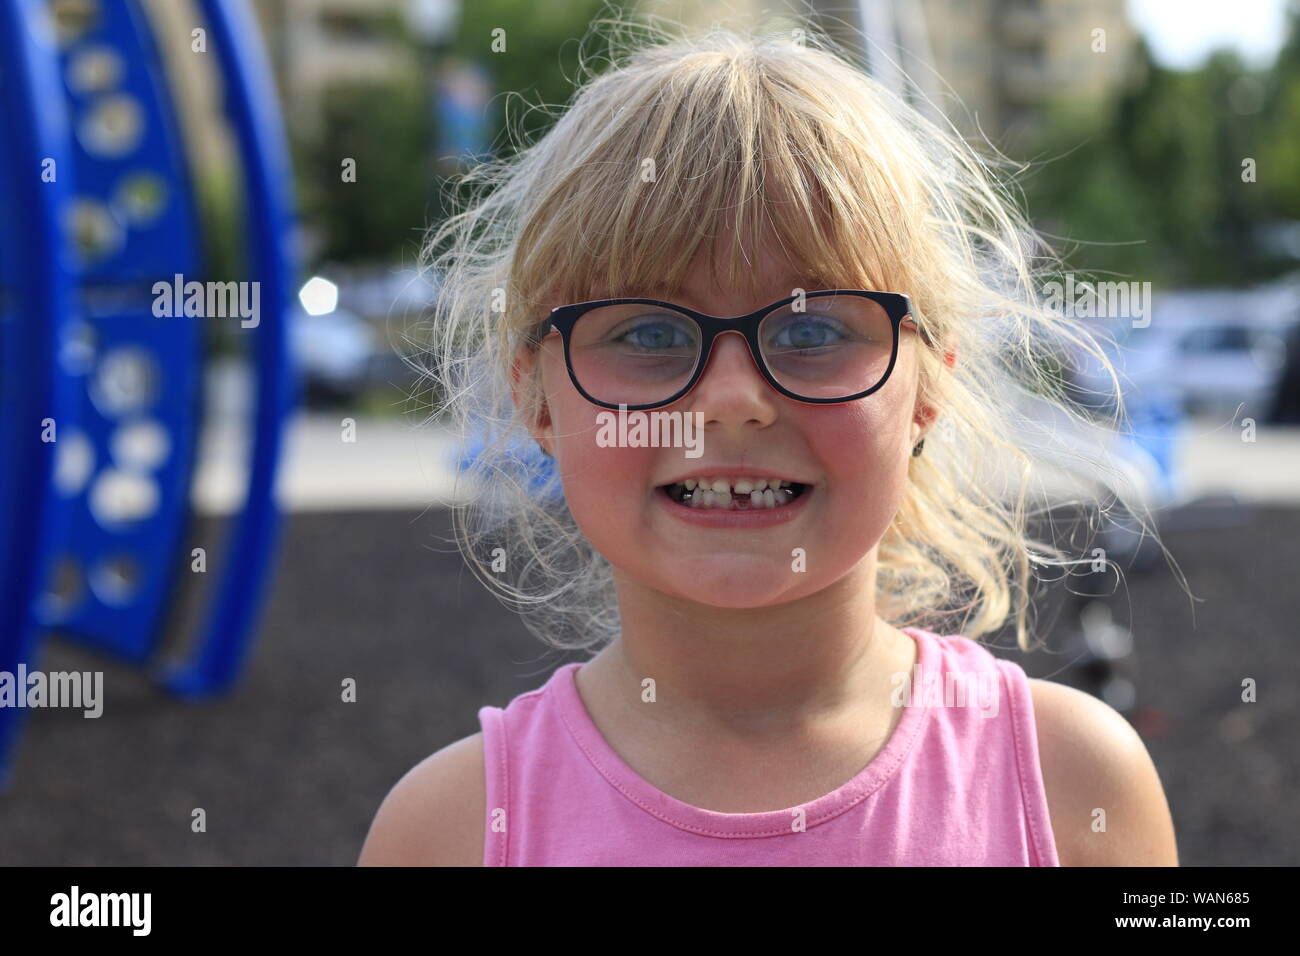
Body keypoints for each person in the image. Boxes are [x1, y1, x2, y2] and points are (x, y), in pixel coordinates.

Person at [359, 19, 1177, 866]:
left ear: (926, 388)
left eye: (813, 328)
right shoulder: (451, 829)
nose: (733, 401)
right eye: (646, 335)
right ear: (538, 395)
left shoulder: (1075, 785)